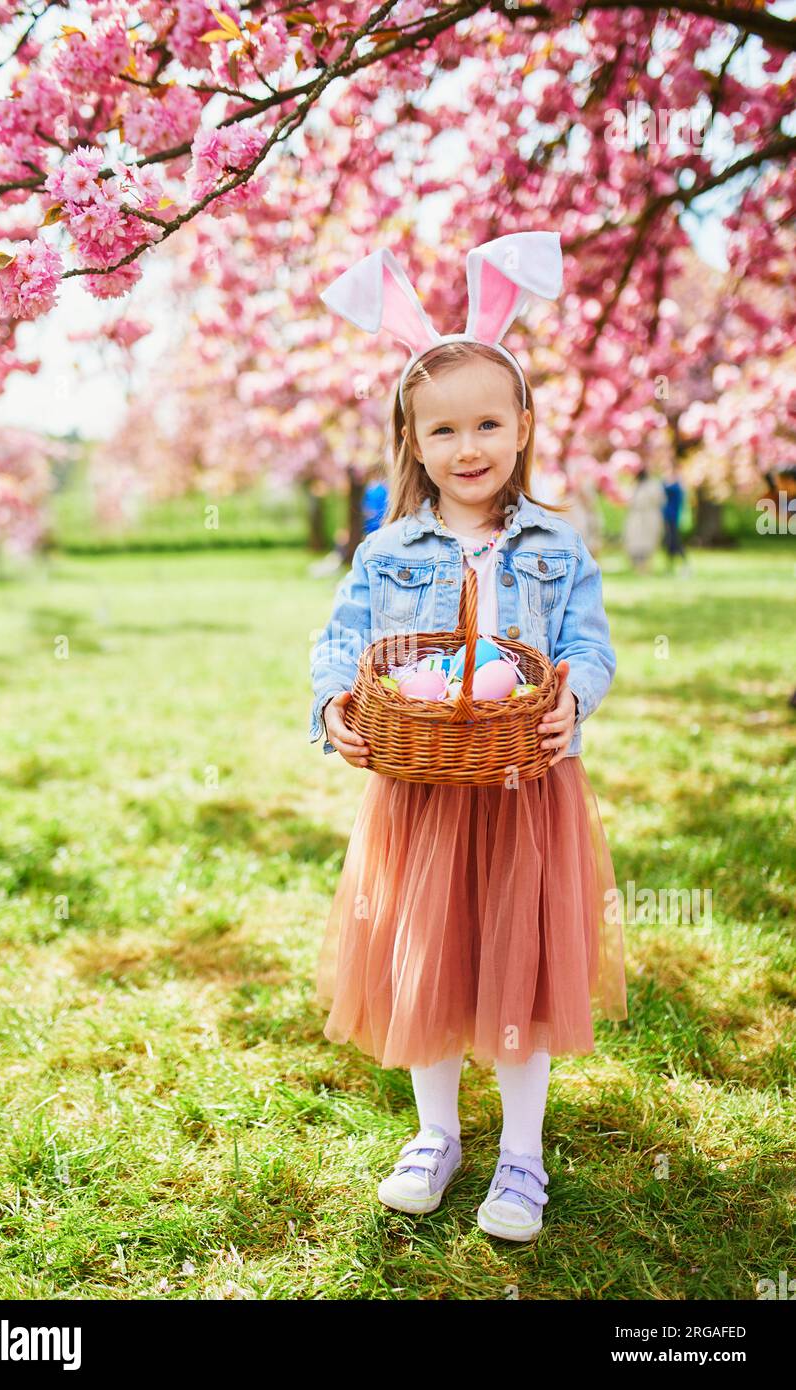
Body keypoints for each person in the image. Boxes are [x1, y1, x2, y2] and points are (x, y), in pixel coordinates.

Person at [309, 233, 627, 1243]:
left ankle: (522, 1151)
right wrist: (334, 712)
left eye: (487, 421)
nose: (467, 445)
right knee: (426, 962)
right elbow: (341, 645)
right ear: (413, 442)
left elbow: (589, 647)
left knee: (518, 969)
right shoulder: (386, 549)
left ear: (522, 424)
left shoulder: (556, 542)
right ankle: (434, 1133)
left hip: (524, 789)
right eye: (441, 429)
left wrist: (573, 705)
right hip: (420, 791)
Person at [623, 466, 666, 572]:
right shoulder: (635, 486)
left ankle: (646, 566)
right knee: (636, 541)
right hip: (637, 517)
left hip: (649, 516)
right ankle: (638, 565)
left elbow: (660, 500)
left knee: (648, 542)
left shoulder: (653, 485)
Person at [662, 460, 690, 573]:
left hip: (674, 515)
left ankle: (684, 564)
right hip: (667, 515)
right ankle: (670, 566)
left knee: (675, 541)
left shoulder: (679, 483)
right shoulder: (666, 481)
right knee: (669, 542)